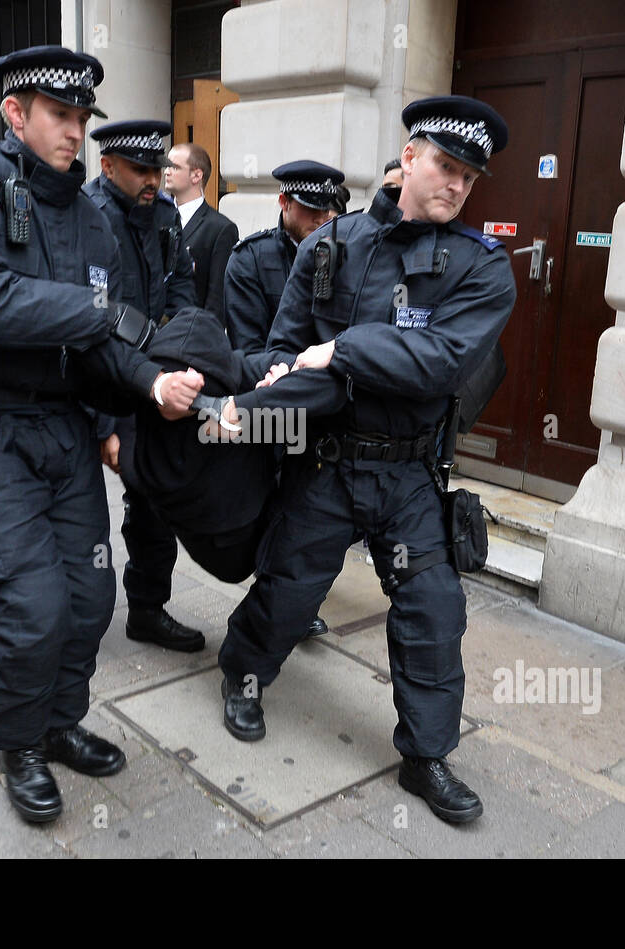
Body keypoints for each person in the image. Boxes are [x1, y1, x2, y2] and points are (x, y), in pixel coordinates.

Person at [0, 45, 202, 823]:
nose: (74, 132)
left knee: (91, 594)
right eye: (59, 115)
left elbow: (104, 345)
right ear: (14, 112)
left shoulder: (94, 219)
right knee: (31, 602)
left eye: (81, 118)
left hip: (61, 427)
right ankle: (17, 743)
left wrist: (150, 384)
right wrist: (103, 317)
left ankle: (59, 722)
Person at [215, 96, 516, 825]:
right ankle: (243, 675)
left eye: (470, 178)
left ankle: (426, 755)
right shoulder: (330, 245)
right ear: (408, 159)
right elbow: (284, 345)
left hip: (411, 474)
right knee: (289, 587)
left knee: (433, 612)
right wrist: (275, 379)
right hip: (329, 459)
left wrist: (343, 349)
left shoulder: (483, 268)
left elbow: (441, 362)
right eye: (445, 165)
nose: (456, 186)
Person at [84, 120, 207, 653]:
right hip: (96, 385)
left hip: (154, 378)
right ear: (107, 166)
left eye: (157, 168)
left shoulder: (162, 215)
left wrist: (178, 348)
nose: (152, 178)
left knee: (153, 502)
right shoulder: (87, 216)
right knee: (80, 515)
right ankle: (67, 614)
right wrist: (105, 426)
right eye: (140, 169)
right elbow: (89, 324)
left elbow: (180, 282)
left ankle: (147, 609)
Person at [223, 160, 344, 354]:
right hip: (271, 377)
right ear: (284, 202)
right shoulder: (250, 259)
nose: (319, 218)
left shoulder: (340, 255)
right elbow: (248, 349)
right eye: (311, 208)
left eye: (324, 210)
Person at [164, 142, 238, 323]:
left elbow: (216, 300)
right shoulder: (158, 218)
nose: (166, 171)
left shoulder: (220, 228)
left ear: (196, 175)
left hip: (190, 334)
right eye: (166, 166)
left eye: (174, 167)